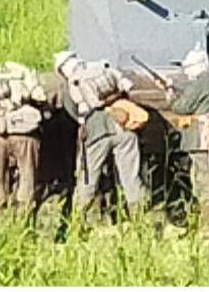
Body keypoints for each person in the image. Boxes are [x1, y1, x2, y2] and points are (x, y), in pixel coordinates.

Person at [55, 50, 146, 218]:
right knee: (131, 176)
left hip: (96, 131)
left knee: (88, 178)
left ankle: (78, 220)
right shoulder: (102, 69)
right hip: (123, 125)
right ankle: (139, 219)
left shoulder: (73, 84)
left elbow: (72, 112)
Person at [166, 43, 209, 233]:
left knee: (204, 179)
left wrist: (171, 96)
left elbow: (181, 107)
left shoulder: (200, 83)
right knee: (206, 177)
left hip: (200, 136)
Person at [0, 61, 49, 213]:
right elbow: (41, 97)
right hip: (26, 134)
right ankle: (25, 215)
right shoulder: (24, 74)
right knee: (27, 176)